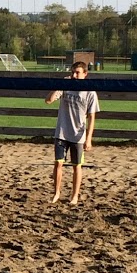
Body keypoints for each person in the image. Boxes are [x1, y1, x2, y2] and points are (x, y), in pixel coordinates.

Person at [46, 61, 99, 205]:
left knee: (77, 166)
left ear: (85, 74)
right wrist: (59, 85)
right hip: (62, 132)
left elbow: (92, 117)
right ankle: (56, 193)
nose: (74, 76)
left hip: (78, 135)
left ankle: (74, 195)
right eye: (72, 72)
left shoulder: (90, 92)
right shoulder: (66, 86)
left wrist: (89, 139)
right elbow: (49, 100)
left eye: (78, 73)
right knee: (58, 163)